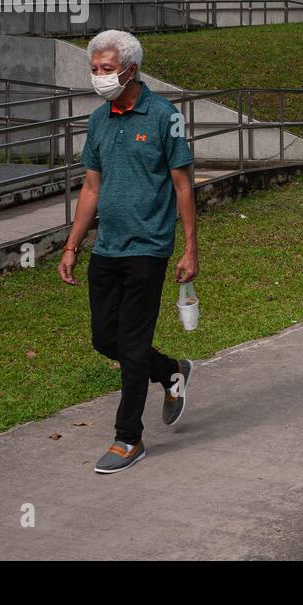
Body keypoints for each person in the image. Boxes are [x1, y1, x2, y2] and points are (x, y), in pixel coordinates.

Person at [57, 30, 199, 473]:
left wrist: (190, 249)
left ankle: (128, 438)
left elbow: (182, 184)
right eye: (94, 69)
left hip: (149, 247)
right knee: (106, 339)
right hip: (109, 247)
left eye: (106, 69)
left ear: (131, 70)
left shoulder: (163, 116)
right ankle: (171, 369)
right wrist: (72, 244)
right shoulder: (98, 121)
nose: (98, 77)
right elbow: (91, 186)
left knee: (132, 345)